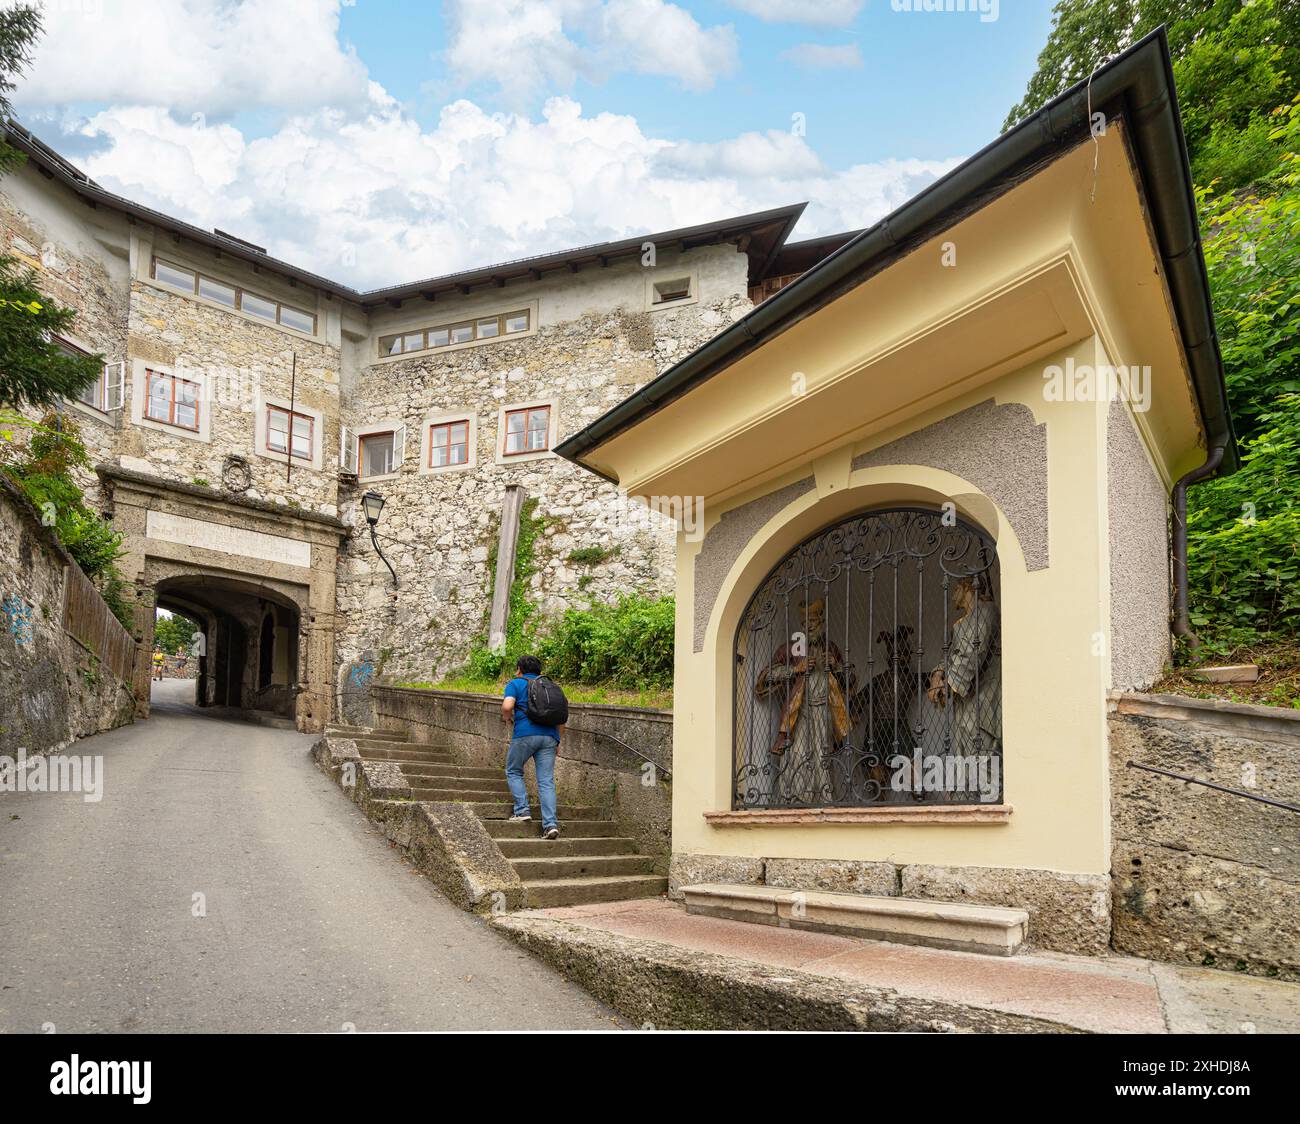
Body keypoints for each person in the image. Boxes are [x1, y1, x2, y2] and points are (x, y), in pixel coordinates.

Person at [501, 655, 562, 839]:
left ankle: (522, 811)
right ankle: (550, 825)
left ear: (519, 669)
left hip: (525, 735)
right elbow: (561, 716)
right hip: (550, 737)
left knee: (514, 770)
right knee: (546, 781)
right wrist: (558, 740)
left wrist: (507, 718)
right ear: (539, 671)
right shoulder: (552, 687)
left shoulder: (516, 683)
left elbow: (507, 705)